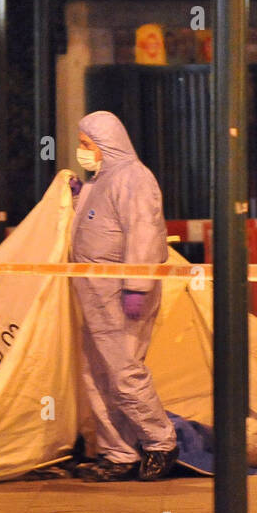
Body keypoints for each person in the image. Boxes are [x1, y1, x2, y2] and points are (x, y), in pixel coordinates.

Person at [69, 111, 179, 482]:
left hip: (120, 296)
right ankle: (118, 452)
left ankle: (161, 443)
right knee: (97, 374)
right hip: (97, 297)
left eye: (87, 145)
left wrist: (137, 286)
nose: (83, 152)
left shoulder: (133, 178)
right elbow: (100, 227)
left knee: (125, 373)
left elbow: (143, 236)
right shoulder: (103, 179)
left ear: (106, 144)